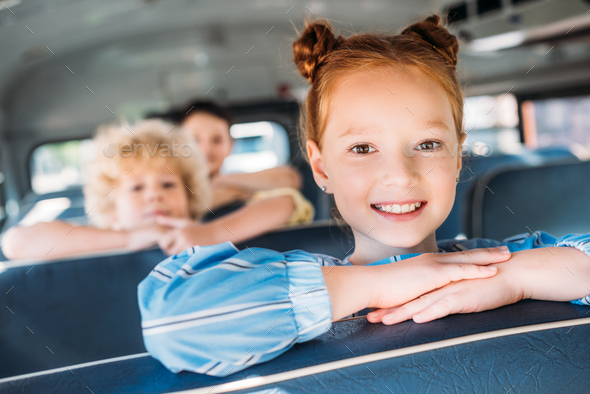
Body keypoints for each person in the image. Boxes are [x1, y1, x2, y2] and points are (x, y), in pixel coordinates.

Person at [137, 15, 590, 377]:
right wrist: (380, 284)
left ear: (457, 157)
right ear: (321, 168)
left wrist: (514, 280)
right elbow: (172, 324)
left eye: (428, 144)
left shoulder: (504, 260)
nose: (399, 174)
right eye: (362, 148)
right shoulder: (295, 282)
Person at [1, 119, 304, 259]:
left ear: (189, 199)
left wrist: (207, 235)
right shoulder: (103, 239)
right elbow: (15, 243)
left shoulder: (201, 229)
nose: (154, 194)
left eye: (169, 184)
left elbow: (285, 204)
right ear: (112, 210)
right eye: (135, 188)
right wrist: (130, 237)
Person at [180, 100, 303, 211]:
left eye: (217, 140)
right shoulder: (169, 185)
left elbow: (290, 180)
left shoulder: (233, 180)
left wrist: (221, 181)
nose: (206, 149)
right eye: (194, 140)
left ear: (231, 146)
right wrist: (236, 192)